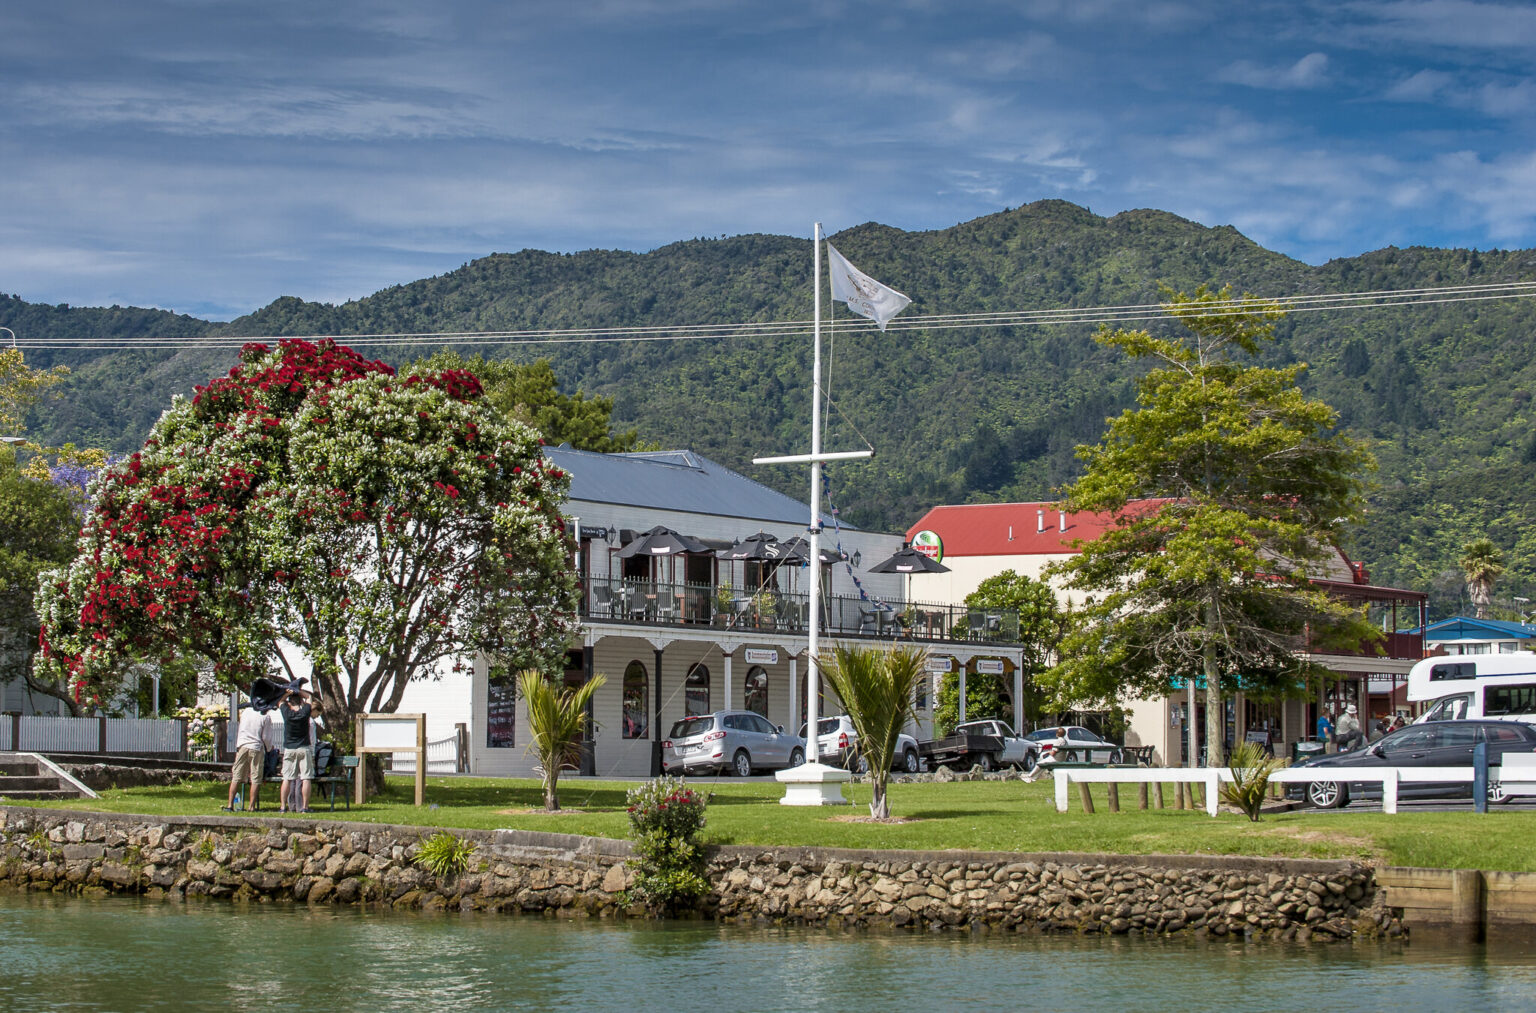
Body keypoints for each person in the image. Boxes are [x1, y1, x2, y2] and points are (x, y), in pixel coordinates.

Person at [225, 698, 274, 812]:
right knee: (255, 777)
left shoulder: (246, 712)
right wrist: (269, 748)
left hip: (242, 745)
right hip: (256, 747)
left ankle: (230, 805)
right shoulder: (265, 716)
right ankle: (251, 806)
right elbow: (266, 737)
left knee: (236, 776)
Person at [278, 687, 316, 813]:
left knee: (287, 778)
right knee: (306, 777)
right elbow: (310, 698)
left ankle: (283, 807)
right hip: (303, 748)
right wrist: (299, 691)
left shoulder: (286, 713)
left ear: (290, 703)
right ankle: (304, 807)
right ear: (301, 702)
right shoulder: (305, 712)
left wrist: (286, 693)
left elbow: (280, 702)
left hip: (289, 748)